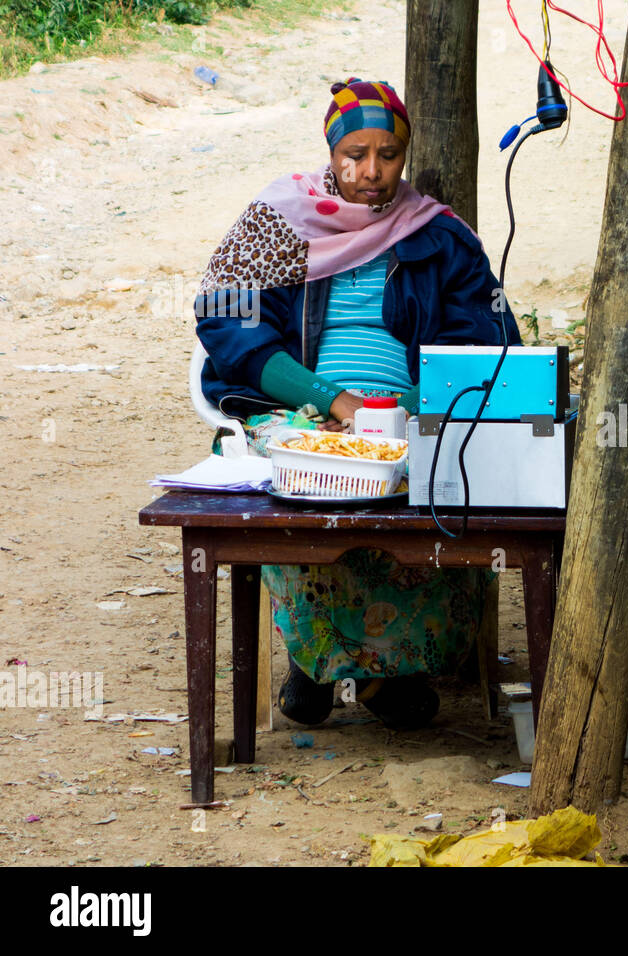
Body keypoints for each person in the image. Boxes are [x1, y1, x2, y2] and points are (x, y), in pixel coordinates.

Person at [194, 77, 520, 730]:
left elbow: (490, 339)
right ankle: (329, 666)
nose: (372, 171)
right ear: (331, 149)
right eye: (355, 154)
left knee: (441, 479)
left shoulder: (439, 236)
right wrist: (330, 400)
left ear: (405, 156)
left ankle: (368, 673)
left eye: (388, 154)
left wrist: (411, 402)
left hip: (412, 412)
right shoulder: (280, 219)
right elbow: (227, 323)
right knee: (307, 480)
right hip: (297, 406)